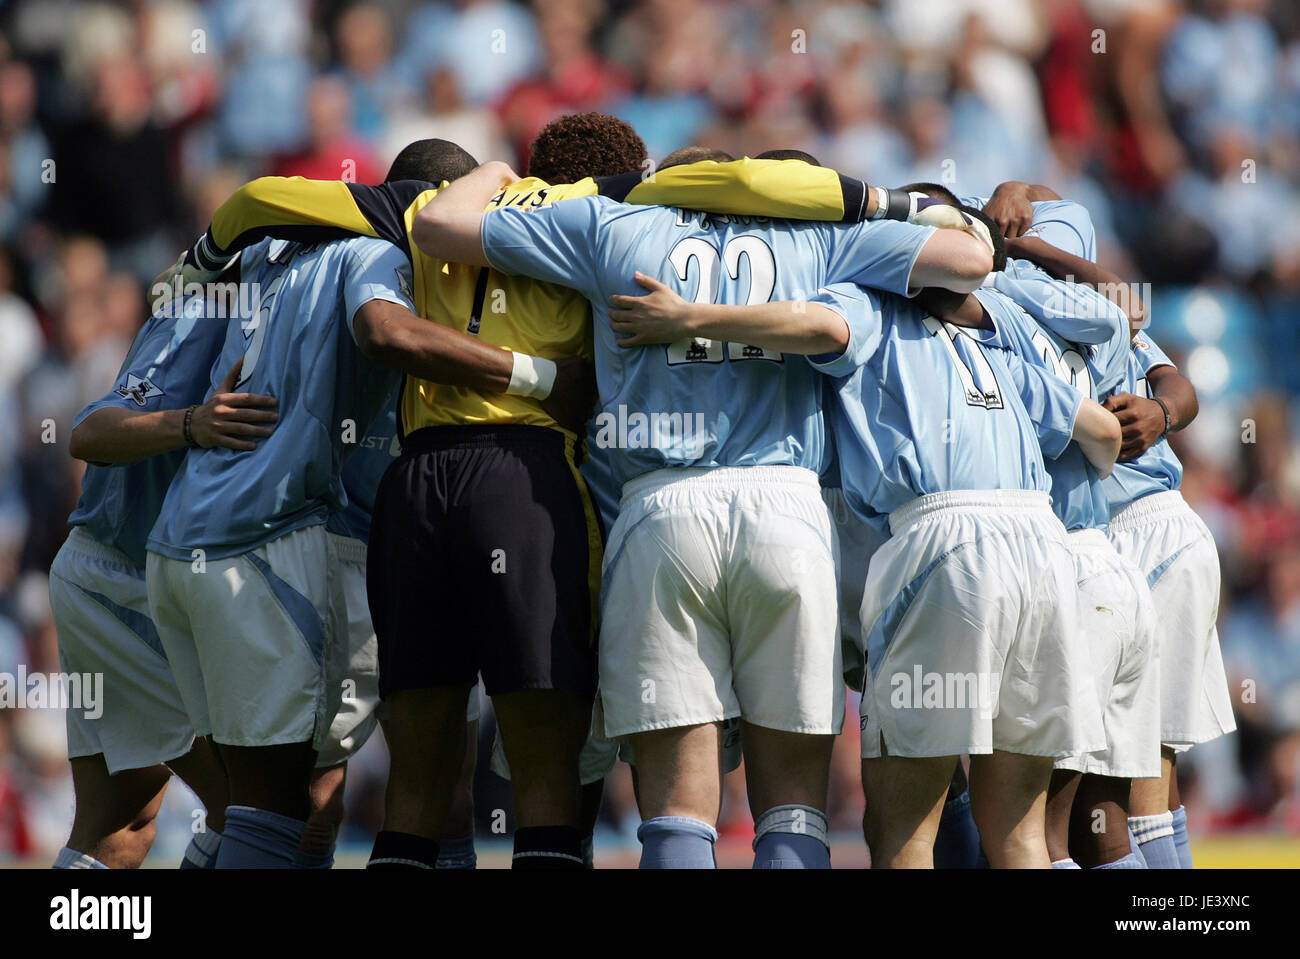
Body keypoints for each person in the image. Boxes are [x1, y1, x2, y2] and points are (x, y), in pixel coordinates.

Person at [411, 155, 993, 868]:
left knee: (679, 809)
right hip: (785, 513)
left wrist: (498, 166)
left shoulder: (610, 223)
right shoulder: (818, 236)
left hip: (660, 514)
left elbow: (439, 226)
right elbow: (969, 257)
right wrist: (870, 198)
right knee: (793, 807)